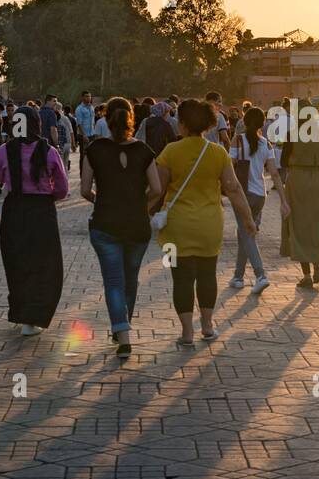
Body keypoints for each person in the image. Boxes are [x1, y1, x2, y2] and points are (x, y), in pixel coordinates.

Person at [155, 99, 258, 342]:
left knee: (180, 277)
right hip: (210, 226)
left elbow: (156, 189)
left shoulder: (171, 151)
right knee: (207, 274)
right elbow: (232, 188)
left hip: (175, 228)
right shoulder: (217, 152)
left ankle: (186, 332)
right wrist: (248, 219)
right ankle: (208, 325)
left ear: (182, 124)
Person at [83, 98, 162, 358]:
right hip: (137, 225)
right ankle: (122, 327)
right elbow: (157, 189)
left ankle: (122, 333)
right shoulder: (144, 150)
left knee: (113, 282)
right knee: (130, 280)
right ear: (131, 119)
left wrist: (102, 200)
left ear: (106, 119)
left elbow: (84, 190)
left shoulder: (94, 149)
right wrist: (142, 205)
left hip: (105, 223)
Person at [0, 105, 68, 338]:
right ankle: (33, 317)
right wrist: (47, 197)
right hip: (42, 211)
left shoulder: (4, 150)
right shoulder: (49, 151)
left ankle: (20, 311)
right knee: (44, 264)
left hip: (14, 210)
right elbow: (63, 188)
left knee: (17, 262)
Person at [278, 98, 319, 288]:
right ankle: (317, 265)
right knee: (317, 224)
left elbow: (283, 162)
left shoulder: (292, 134)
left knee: (299, 227)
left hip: (298, 181)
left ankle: (306, 275)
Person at [229, 106, 287, 293]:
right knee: (245, 234)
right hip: (260, 195)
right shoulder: (266, 144)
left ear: (244, 122)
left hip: (243, 195)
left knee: (247, 234)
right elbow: (275, 174)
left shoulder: (238, 140)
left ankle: (260, 275)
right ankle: (238, 276)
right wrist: (283, 200)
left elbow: (230, 168)